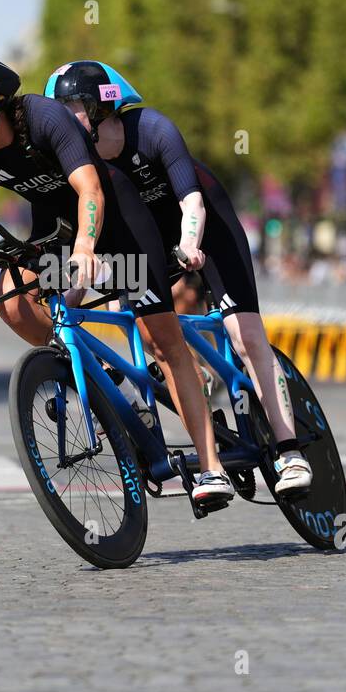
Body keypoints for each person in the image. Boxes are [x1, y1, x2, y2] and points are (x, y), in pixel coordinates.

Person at [0, 50, 235, 505]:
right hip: (58, 232)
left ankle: (211, 468)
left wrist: (88, 247)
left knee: (162, 340)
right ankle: (107, 379)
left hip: (118, 222)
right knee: (10, 297)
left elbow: (89, 188)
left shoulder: (45, 117)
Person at [43, 60, 312, 494]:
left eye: (72, 106)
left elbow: (192, 202)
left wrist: (189, 245)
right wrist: (66, 298)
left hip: (207, 227)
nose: (62, 117)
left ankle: (290, 451)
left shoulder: (153, 129)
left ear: (99, 107)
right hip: (146, 239)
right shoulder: (80, 162)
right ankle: (197, 395)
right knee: (145, 330)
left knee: (244, 336)